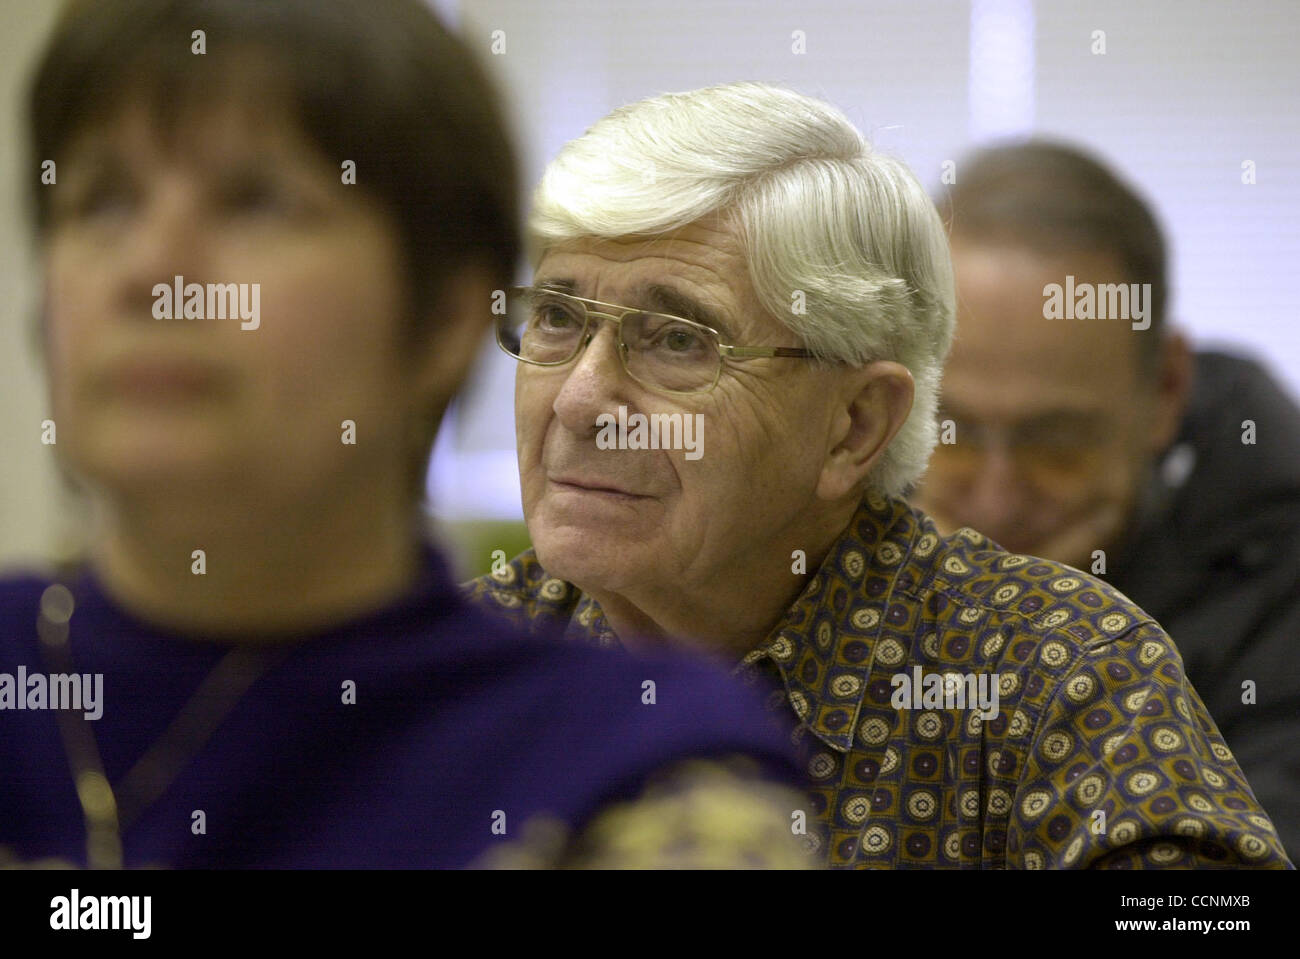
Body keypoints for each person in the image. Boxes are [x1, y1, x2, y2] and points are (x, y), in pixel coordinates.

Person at [0, 0, 814, 870]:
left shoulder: (638, 771)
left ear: (444, 317)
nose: (151, 271)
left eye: (256, 202)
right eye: (101, 201)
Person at [465, 81, 1293, 868]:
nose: (579, 401)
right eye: (558, 317)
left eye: (679, 340)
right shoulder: (473, 655)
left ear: (854, 426)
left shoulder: (1057, 671)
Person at [913, 140, 1300, 861]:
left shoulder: (1281, 584)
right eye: (955, 432)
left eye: (1055, 443)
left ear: (1165, 393)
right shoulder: (829, 524)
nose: (996, 497)